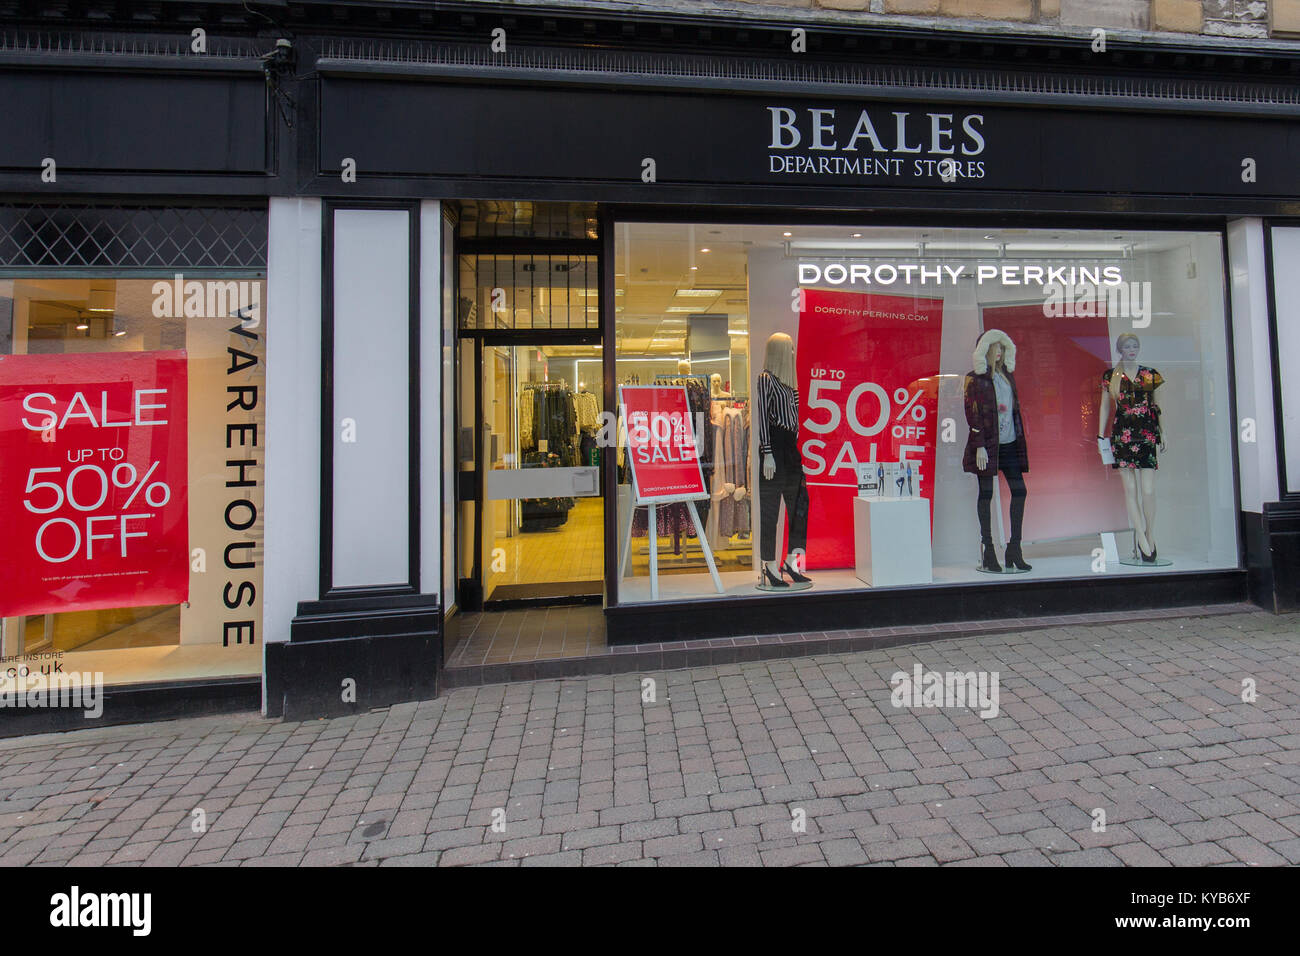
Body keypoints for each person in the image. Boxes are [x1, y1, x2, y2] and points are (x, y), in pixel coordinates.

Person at [963, 329, 1031, 572]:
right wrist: (980, 445)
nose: (1000, 352)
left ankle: (1015, 548)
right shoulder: (975, 378)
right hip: (988, 445)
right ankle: (988, 549)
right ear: (985, 349)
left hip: (1010, 443)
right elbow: (972, 413)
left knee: (1019, 491)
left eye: (1003, 347)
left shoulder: (1007, 377)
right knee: (986, 494)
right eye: (995, 347)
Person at [1098, 333, 1166, 562]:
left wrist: (1162, 432)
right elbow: (1105, 408)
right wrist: (1100, 436)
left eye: (1135, 345)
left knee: (1148, 490)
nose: (1132, 349)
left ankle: (1151, 531)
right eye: (1127, 346)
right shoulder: (1111, 377)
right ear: (1120, 349)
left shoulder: (1149, 374)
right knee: (1130, 490)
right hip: (1123, 435)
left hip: (1146, 433)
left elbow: (1156, 405)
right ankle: (1140, 535)